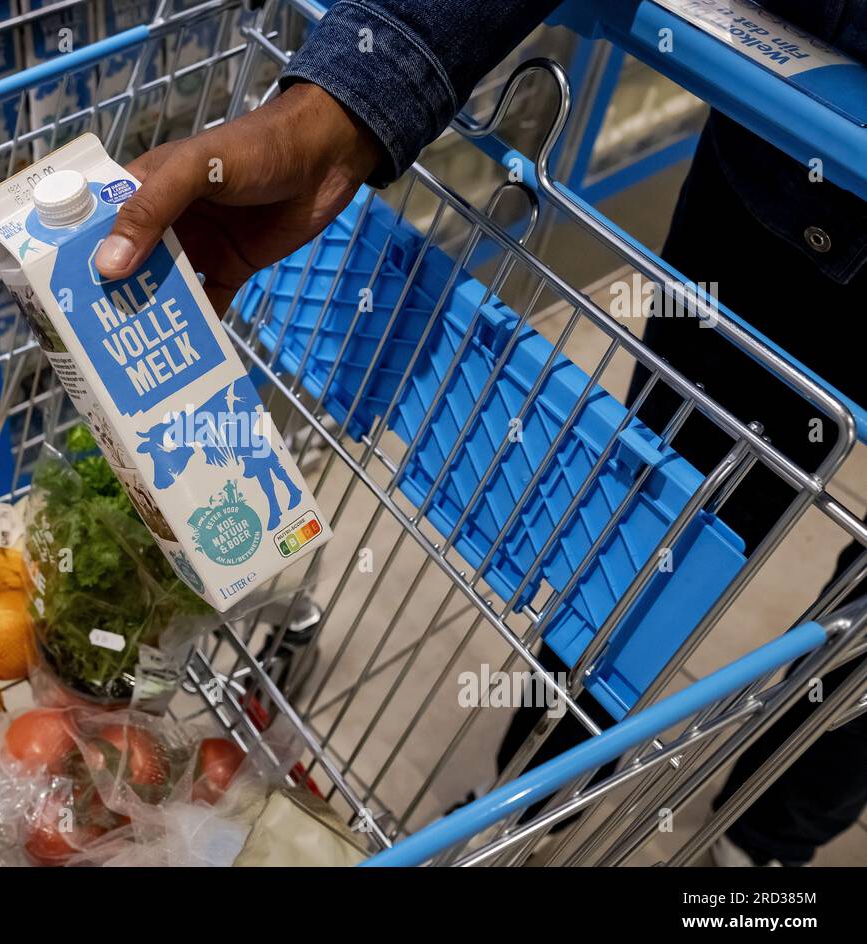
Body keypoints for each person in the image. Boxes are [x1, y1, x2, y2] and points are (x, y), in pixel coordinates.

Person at [93, 0, 867, 866]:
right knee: (646, 525)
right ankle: (533, 805)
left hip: (797, 162)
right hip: (779, 185)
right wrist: (350, 95)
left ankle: (762, 845)